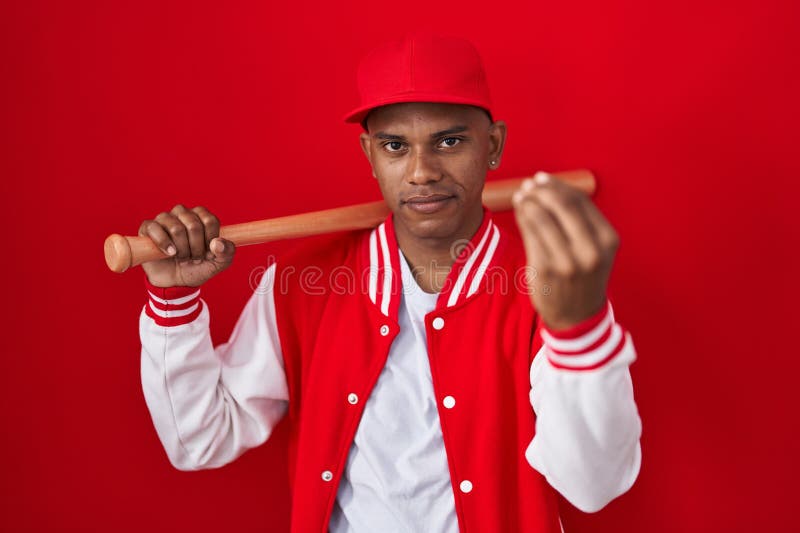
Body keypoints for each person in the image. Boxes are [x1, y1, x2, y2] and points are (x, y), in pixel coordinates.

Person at [137, 33, 642, 532]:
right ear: (369, 155)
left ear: (493, 145)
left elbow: (593, 485)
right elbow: (201, 441)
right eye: (396, 146)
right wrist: (173, 301)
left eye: (450, 140)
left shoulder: (551, 289)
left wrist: (582, 333)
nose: (422, 172)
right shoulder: (298, 285)